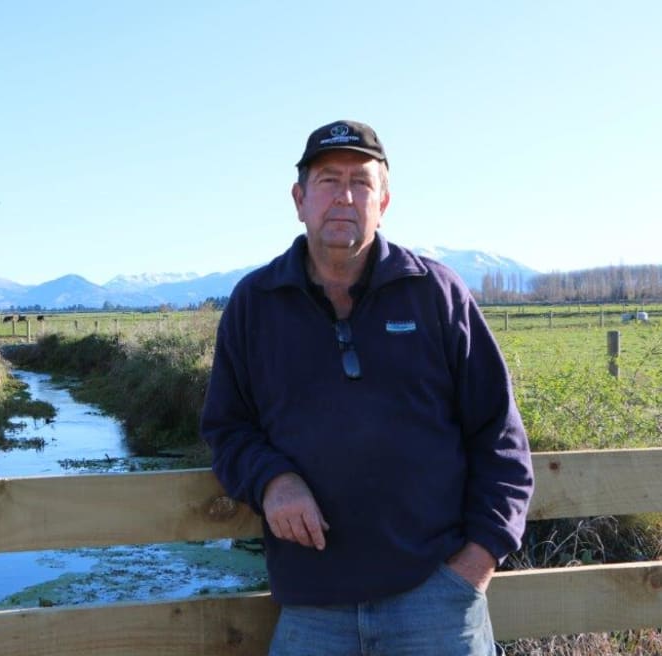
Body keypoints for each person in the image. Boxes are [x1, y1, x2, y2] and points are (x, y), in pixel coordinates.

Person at [200, 119, 534, 655]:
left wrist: (475, 567)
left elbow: (500, 439)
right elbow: (226, 428)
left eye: (362, 182)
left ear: (384, 201)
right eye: (329, 180)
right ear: (299, 198)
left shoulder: (437, 295)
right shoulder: (255, 304)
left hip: (436, 601)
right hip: (312, 608)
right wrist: (273, 480)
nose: (345, 196)